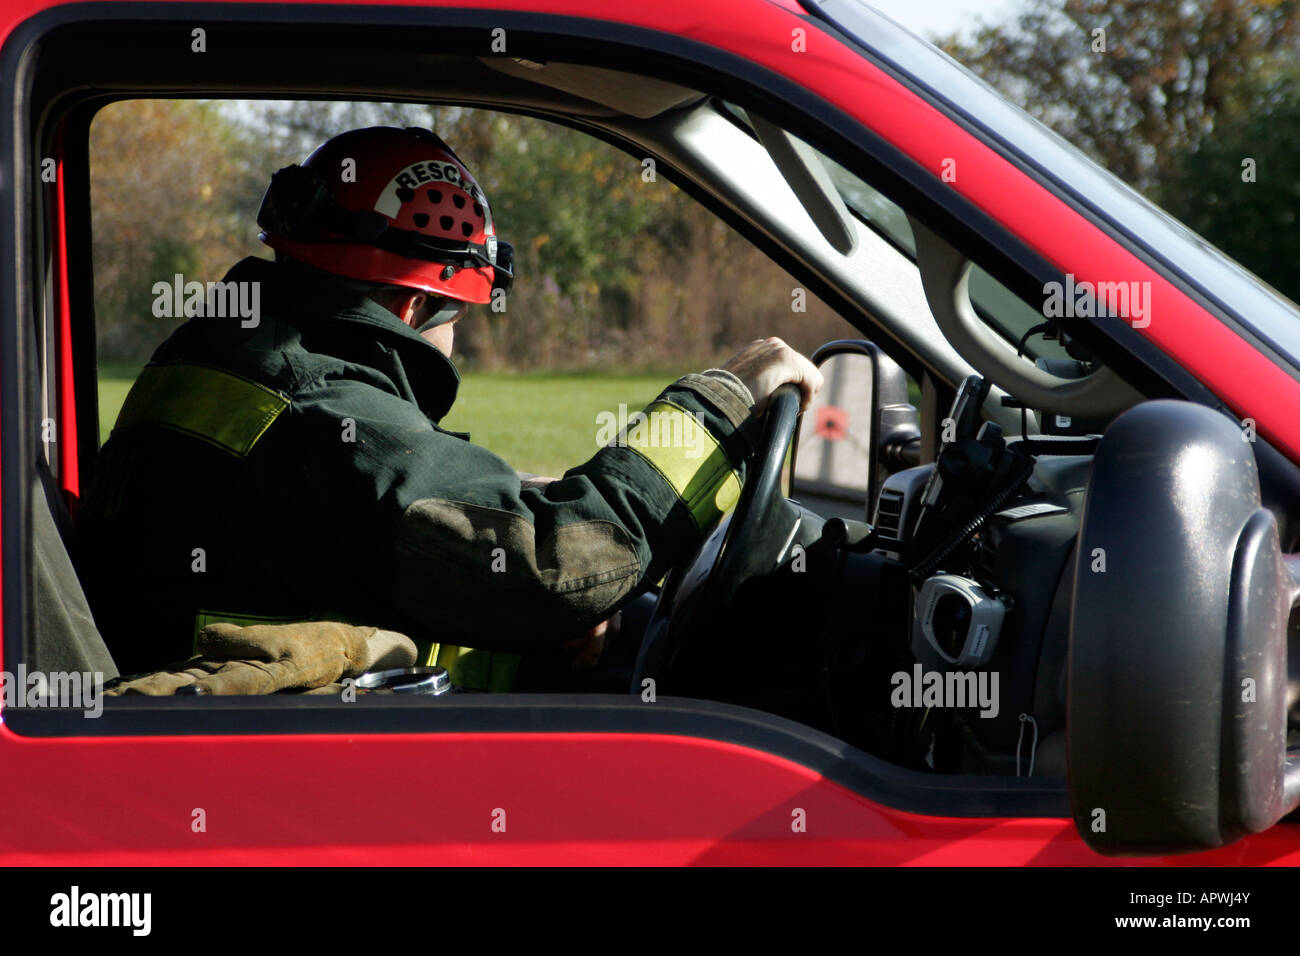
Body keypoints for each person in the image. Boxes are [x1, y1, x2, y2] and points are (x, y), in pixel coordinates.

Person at [75, 126, 822, 688]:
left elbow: (355, 561)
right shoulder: (328, 411)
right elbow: (556, 562)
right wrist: (721, 402)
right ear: (417, 304)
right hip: (281, 767)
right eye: (462, 315)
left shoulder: (223, 358)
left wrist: (542, 622)